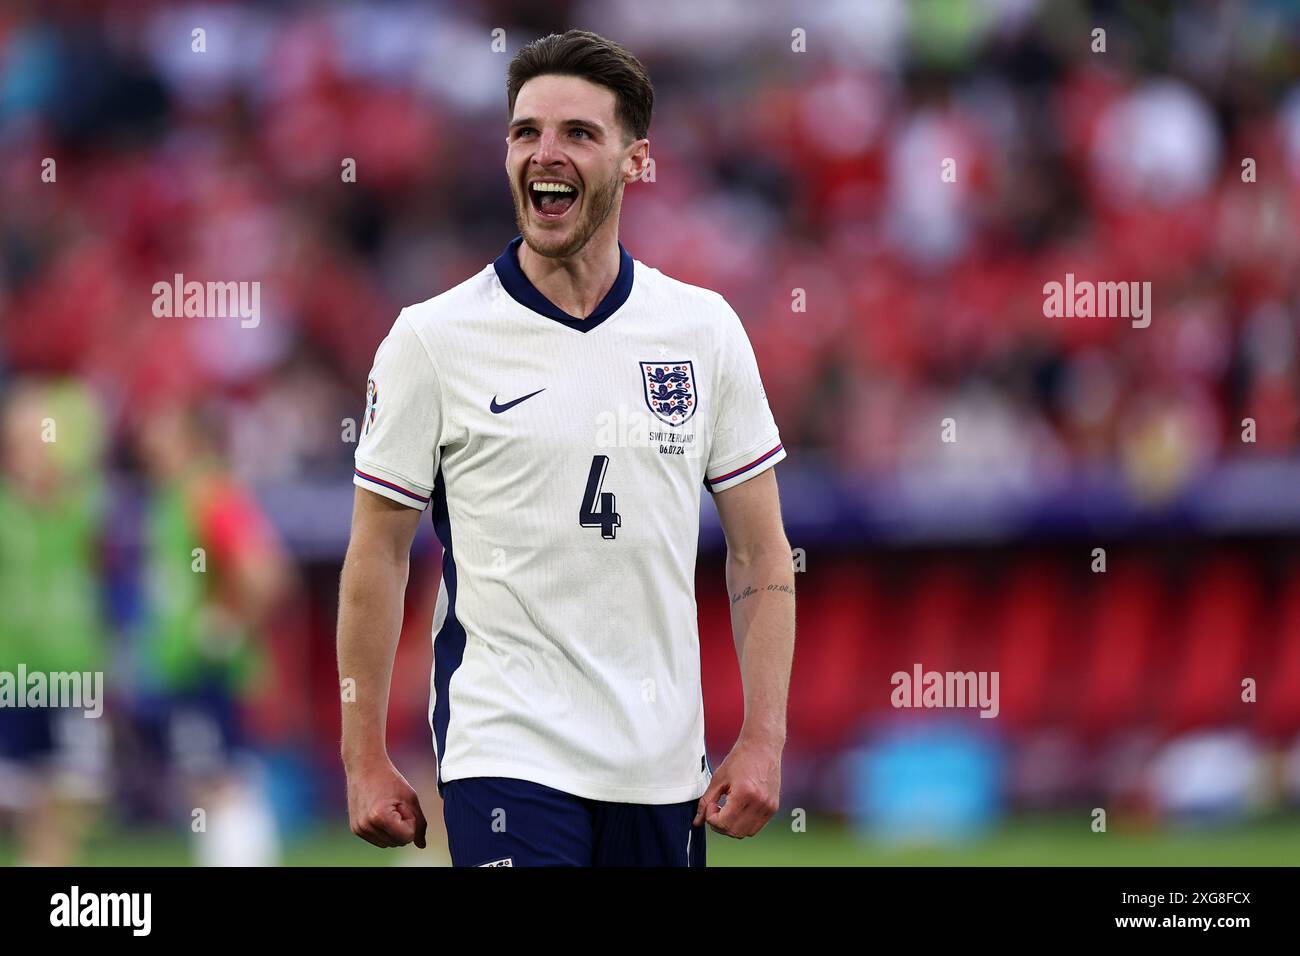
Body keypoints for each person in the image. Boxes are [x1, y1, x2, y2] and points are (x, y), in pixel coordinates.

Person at [338, 30, 795, 867]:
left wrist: (764, 737)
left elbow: (762, 553)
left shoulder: (703, 332)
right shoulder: (433, 340)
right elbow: (376, 555)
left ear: (634, 161)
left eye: (578, 133)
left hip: (661, 769)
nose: (544, 153)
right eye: (525, 132)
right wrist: (364, 756)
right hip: (504, 751)